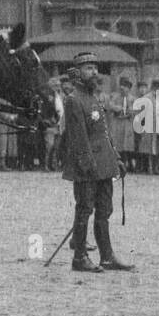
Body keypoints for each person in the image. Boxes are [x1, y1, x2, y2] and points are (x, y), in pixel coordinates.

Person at [61, 51, 133, 273]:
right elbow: (78, 138)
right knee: (84, 210)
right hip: (87, 167)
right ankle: (80, 257)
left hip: (104, 165)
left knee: (104, 210)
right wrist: (88, 165)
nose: (94, 72)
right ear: (78, 73)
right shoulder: (74, 100)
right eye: (88, 68)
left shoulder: (95, 98)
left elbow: (105, 133)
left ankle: (107, 256)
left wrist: (117, 159)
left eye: (95, 67)